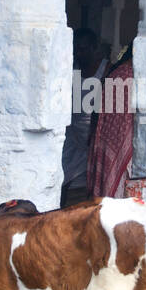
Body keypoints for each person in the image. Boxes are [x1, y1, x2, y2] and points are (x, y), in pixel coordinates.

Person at [88, 43, 134, 198]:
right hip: (118, 144)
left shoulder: (119, 72)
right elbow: (125, 119)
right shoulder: (127, 75)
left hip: (110, 143)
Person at [63, 28, 106, 195]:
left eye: (83, 49)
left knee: (94, 178)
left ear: (94, 48)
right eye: (76, 49)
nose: (79, 53)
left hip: (92, 134)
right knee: (62, 176)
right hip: (71, 133)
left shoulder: (106, 70)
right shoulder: (72, 69)